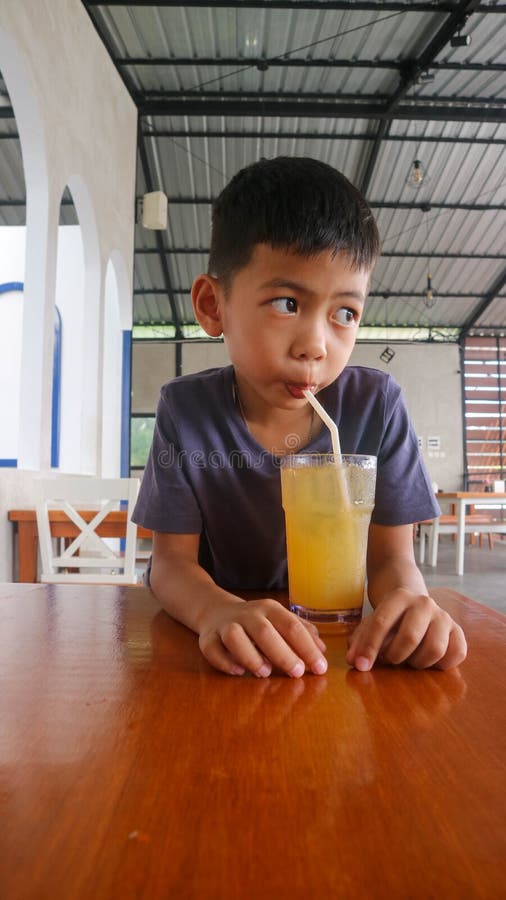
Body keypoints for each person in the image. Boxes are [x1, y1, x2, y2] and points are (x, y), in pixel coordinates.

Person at [132, 156, 467, 678]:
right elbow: (171, 564)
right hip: (235, 658)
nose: (316, 345)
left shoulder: (374, 406)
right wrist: (216, 610)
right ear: (212, 306)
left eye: (345, 313)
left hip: (339, 653)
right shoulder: (187, 410)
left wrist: (409, 601)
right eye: (287, 303)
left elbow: (388, 558)